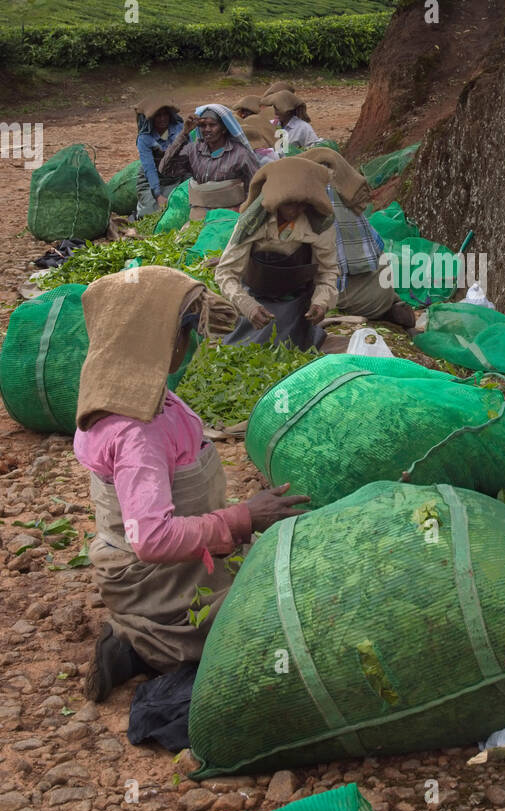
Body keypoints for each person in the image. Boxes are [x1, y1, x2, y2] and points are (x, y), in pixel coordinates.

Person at [73, 266, 309, 703]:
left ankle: (146, 638)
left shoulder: (142, 394)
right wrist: (243, 517)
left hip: (179, 558)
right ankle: (144, 644)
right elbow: (151, 539)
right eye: (185, 330)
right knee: (273, 614)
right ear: (161, 340)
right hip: (153, 574)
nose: (192, 342)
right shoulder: (136, 433)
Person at [215, 156, 340, 350]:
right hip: (255, 294)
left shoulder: (319, 224)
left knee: (289, 346)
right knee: (243, 348)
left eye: (303, 204)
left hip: (296, 300)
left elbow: (328, 271)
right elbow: (225, 273)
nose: (296, 210)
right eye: (290, 204)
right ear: (278, 200)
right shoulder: (252, 222)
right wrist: (248, 307)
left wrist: (320, 303)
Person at [304, 147, 416, 329]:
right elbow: (378, 246)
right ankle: (391, 309)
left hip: (355, 299)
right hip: (383, 291)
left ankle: (382, 312)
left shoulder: (315, 204)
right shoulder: (347, 199)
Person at [159, 103, 261, 220]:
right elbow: (165, 169)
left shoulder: (240, 154)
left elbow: (256, 186)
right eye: (202, 125)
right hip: (198, 216)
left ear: (223, 128)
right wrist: (184, 133)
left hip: (229, 217)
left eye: (212, 125)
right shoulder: (193, 151)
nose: (207, 129)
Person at [134, 94, 188, 218]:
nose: (163, 118)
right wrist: (158, 195)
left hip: (176, 177)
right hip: (151, 182)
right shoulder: (144, 139)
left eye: (165, 114)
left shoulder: (179, 129)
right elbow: (150, 169)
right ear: (151, 118)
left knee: (183, 205)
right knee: (150, 214)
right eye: (158, 115)